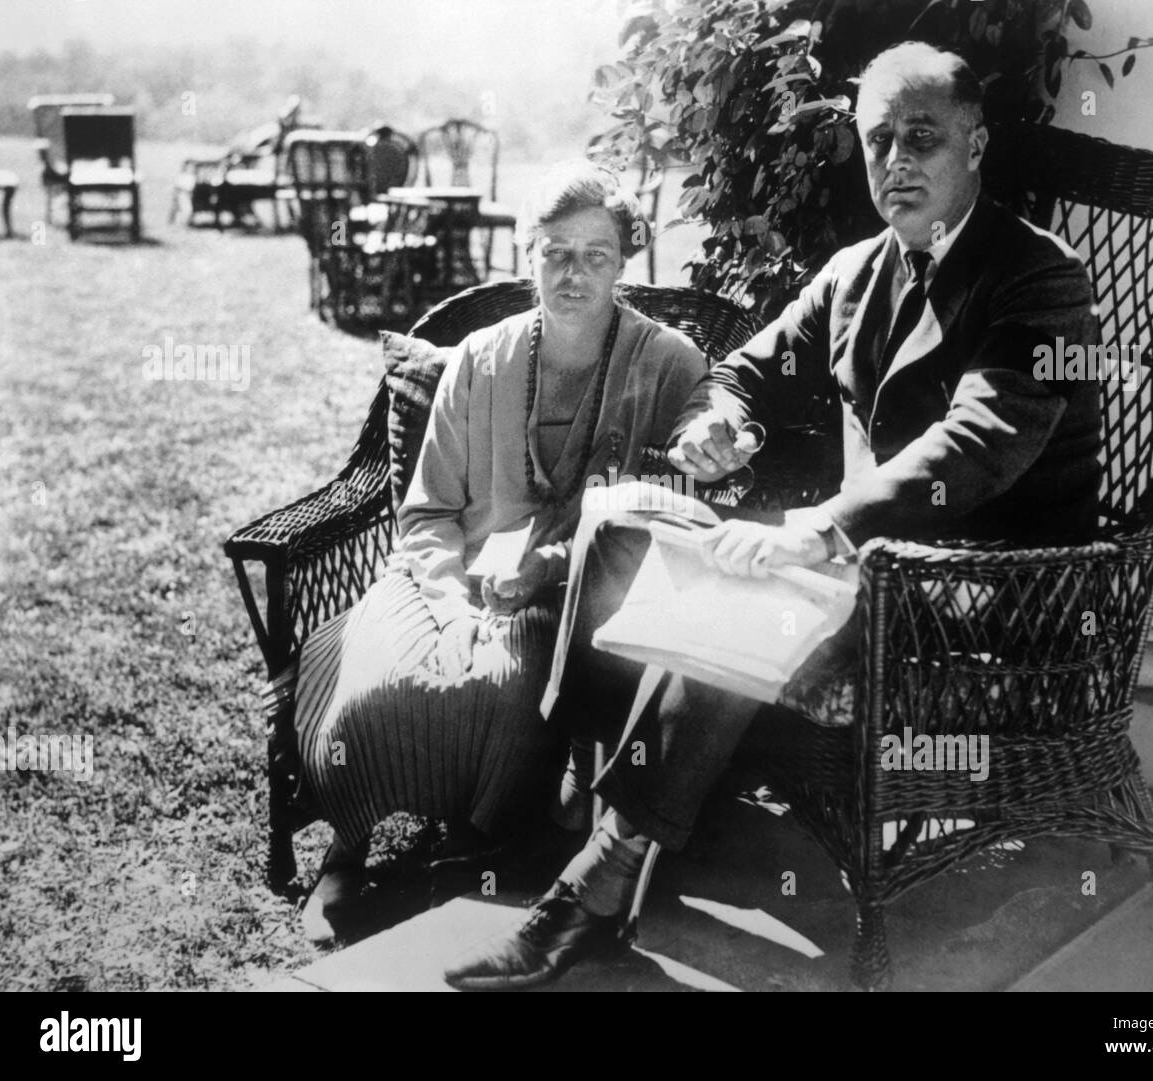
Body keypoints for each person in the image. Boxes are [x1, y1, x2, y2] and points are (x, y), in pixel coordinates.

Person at [443, 41, 1102, 990]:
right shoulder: (859, 273)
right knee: (623, 518)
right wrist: (723, 421)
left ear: (977, 144)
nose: (898, 162)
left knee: (750, 593)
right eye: (880, 141)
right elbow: (748, 370)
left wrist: (820, 525)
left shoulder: (1038, 278)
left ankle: (596, 882)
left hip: (986, 592)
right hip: (865, 568)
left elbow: (977, 445)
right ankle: (592, 795)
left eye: (924, 138)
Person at [292, 162, 707, 944]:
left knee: (512, 693)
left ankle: (490, 850)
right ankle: (345, 850)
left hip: (566, 599)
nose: (572, 272)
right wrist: (450, 601)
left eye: (595, 253)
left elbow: (679, 502)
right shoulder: (480, 357)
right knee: (372, 688)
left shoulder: (669, 362)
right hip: (439, 574)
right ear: (526, 256)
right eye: (553, 252)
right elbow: (426, 511)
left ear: (625, 261)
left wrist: (542, 574)